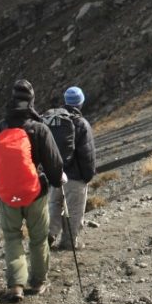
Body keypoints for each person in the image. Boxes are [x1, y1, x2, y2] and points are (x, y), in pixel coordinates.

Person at [0, 79, 64, 302]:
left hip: (7, 195)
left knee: (12, 238)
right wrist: (56, 180)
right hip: (35, 192)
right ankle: (37, 283)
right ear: (31, 101)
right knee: (38, 238)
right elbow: (53, 163)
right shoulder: (38, 128)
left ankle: (16, 285)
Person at [47, 85, 96, 251]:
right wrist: (87, 176)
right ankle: (69, 243)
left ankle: (48, 235)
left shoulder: (55, 121)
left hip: (56, 174)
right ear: (80, 103)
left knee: (54, 204)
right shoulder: (81, 124)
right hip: (75, 177)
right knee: (74, 211)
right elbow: (87, 154)